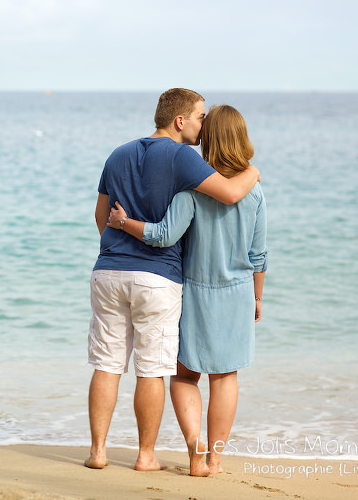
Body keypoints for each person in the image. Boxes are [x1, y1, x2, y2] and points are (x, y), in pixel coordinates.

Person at [87, 90, 260, 472]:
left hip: (108, 269)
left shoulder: (117, 153)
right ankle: (147, 456)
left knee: (107, 363)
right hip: (156, 277)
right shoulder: (183, 157)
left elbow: (101, 216)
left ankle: (98, 452)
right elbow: (231, 195)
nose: (202, 126)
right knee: (151, 368)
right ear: (180, 120)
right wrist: (253, 171)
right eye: (199, 117)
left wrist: (118, 238)